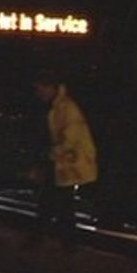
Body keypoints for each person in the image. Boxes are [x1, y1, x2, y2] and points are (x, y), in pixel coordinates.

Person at [27, 71, 98, 251]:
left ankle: (47, 239)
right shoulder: (62, 107)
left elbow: (69, 140)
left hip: (66, 163)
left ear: (51, 87)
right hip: (64, 163)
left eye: (40, 89)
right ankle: (66, 242)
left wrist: (50, 154)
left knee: (52, 201)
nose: (38, 94)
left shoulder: (65, 108)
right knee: (60, 203)